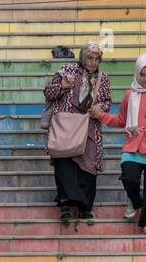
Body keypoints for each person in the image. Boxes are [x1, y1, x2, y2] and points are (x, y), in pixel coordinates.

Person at [92, 53, 146, 236]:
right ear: (137, 74)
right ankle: (135, 200)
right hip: (133, 147)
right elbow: (121, 120)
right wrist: (100, 115)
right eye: (143, 74)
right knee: (129, 178)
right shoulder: (129, 94)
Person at [43, 41, 112, 225]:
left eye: (97, 58)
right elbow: (48, 92)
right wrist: (63, 86)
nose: (93, 62)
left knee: (87, 166)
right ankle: (65, 207)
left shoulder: (102, 78)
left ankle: (85, 208)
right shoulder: (67, 70)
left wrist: (100, 107)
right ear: (82, 57)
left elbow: (107, 101)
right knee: (64, 163)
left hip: (89, 127)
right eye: (90, 57)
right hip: (66, 127)